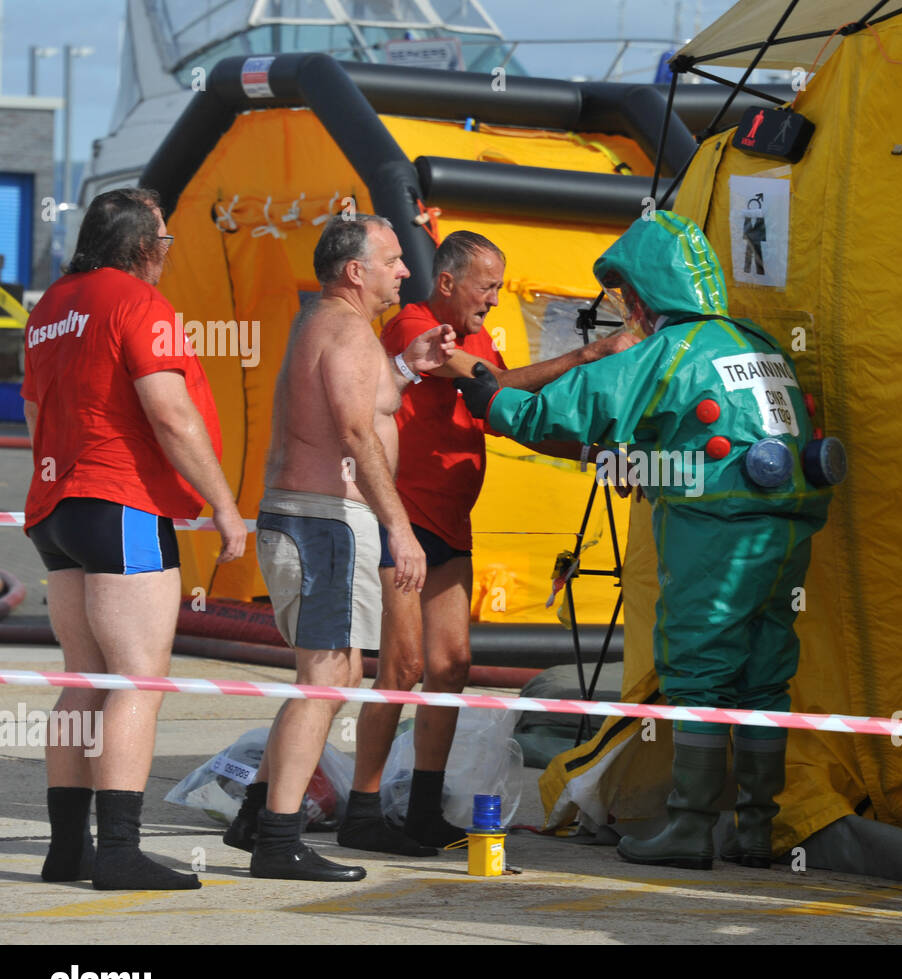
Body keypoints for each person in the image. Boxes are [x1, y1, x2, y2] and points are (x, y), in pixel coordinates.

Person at [456, 211, 840, 870]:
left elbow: (573, 407)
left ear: (646, 293)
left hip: (715, 529)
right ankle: (757, 828)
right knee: (764, 675)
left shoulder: (675, 349)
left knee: (699, 670)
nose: (627, 309)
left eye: (629, 296)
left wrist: (488, 395)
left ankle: (689, 826)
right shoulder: (757, 344)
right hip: (788, 530)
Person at [336, 230, 639, 855]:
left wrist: (592, 451)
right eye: (489, 286)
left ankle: (422, 809)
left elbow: (506, 411)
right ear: (448, 282)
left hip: (450, 525)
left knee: (451, 669)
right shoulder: (416, 325)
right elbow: (495, 383)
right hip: (407, 518)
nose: (496, 299)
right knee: (403, 668)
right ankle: (361, 812)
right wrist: (592, 353)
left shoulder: (472, 334)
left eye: (500, 287)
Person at [22, 187, 246, 891]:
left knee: (81, 681)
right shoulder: (138, 303)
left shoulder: (49, 308)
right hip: (120, 500)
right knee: (137, 682)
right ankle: (118, 850)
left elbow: (34, 415)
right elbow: (172, 414)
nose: (169, 254)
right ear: (143, 246)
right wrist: (224, 505)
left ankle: (67, 849)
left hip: (55, 506)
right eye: (166, 242)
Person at [222, 213, 457, 880]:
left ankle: (256, 812)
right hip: (324, 520)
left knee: (337, 675)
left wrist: (408, 368)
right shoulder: (348, 327)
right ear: (357, 272)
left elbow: (354, 405)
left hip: (318, 518)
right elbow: (356, 433)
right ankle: (277, 840)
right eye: (392, 260)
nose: (405, 271)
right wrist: (401, 528)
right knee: (325, 678)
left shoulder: (332, 323)